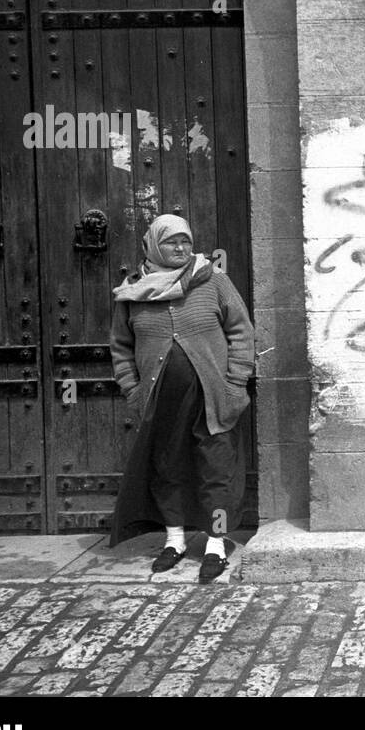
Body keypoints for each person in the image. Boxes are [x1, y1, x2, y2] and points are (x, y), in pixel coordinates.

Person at [108, 214, 254, 583]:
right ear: (154, 245)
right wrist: (133, 390)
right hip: (161, 401)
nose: (180, 249)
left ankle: (216, 545)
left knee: (216, 471)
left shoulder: (213, 280)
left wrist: (235, 385)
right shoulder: (132, 292)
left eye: (185, 241)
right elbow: (121, 349)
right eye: (171, 242)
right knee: (167, 469)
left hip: (212, 398)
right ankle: (174, 541)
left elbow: (241, 332)